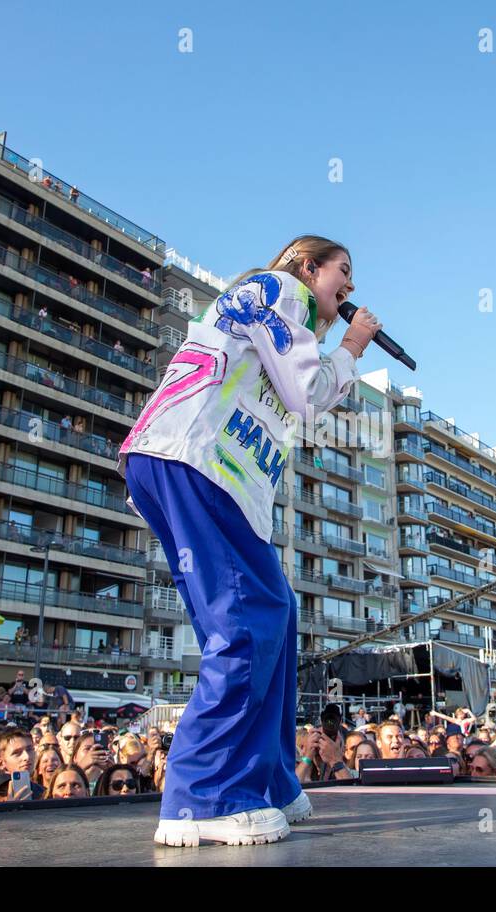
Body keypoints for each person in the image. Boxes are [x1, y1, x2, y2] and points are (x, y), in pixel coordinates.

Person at [117, 237, 378, 848]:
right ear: (309, 267)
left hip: (216, 471)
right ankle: (202, 797)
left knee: (277, 614)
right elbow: (307, 394)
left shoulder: (285, 312)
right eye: (345, 272)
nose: (351, 288)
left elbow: (299, 396)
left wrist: (338, 350)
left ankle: (268, 779)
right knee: (242, 623)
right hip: (198, 458)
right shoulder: (280, 288)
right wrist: (352, 346)